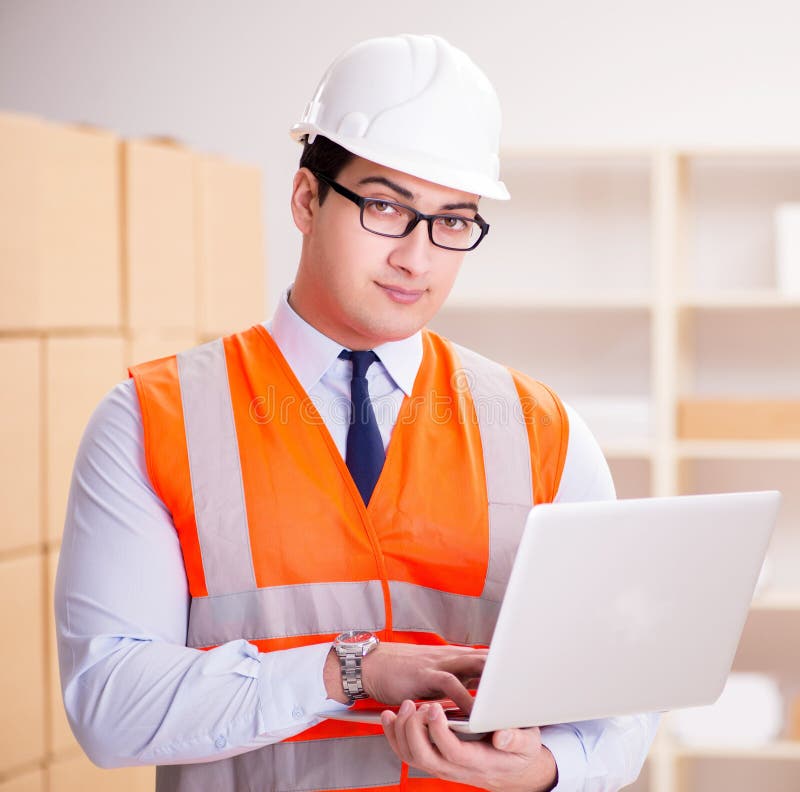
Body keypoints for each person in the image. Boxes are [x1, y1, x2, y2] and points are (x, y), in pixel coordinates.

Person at [55, 33, 659, 792]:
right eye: (385, 207)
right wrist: (350, 670)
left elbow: (619, 701)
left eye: (453, 221)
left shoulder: (545, 431)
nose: (418, 257)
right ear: (307, 199)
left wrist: (546, 768)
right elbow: (108, 708)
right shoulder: (151, 421)